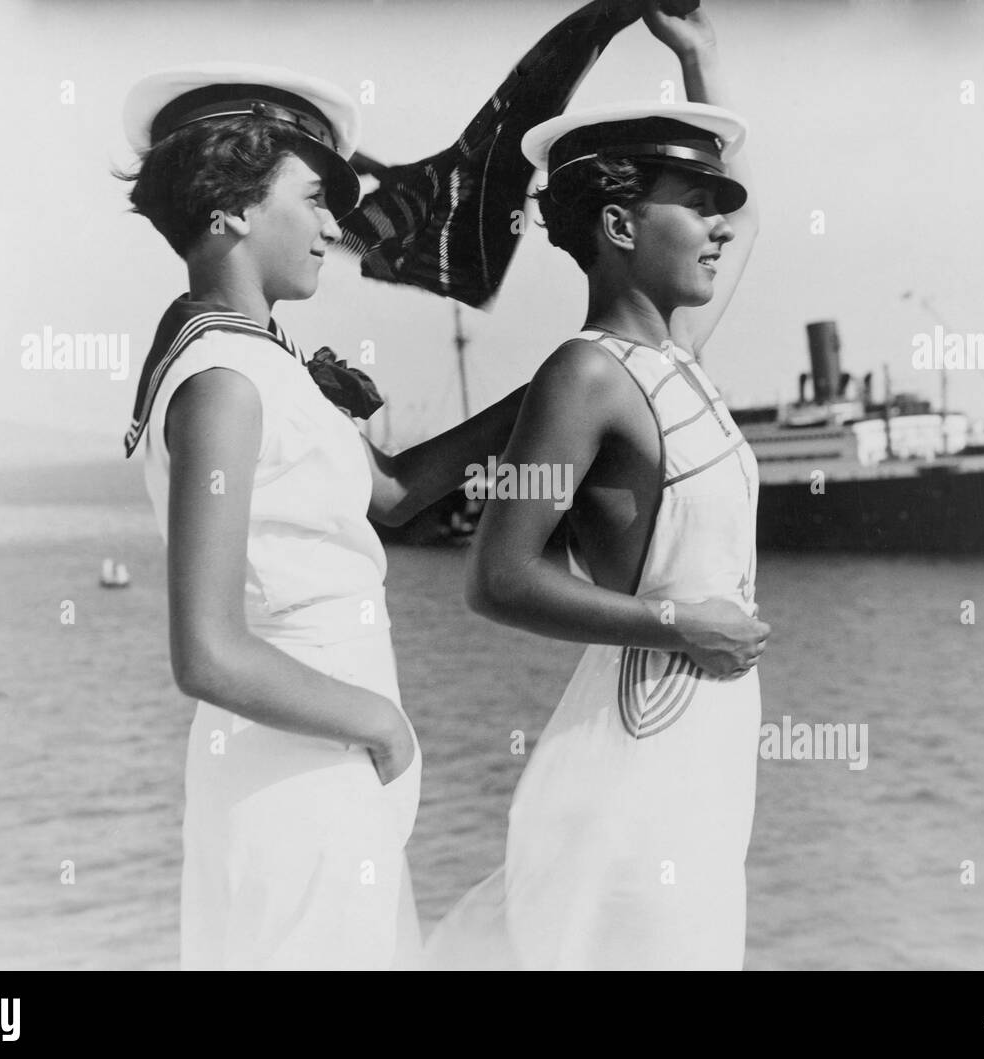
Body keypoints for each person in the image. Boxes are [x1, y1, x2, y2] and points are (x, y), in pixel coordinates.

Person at [118, 62, 525, 970]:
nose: (336, 227)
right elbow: (207, 650)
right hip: (296, 781)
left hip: (322, 774)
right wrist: (380, 722)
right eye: (313, 199)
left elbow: (392, 493)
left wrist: (540, 395)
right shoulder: (224, 383)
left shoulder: (252, 359)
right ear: (231, 209)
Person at [426, 1, 770, 970]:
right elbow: (495, 575)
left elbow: (750, 212)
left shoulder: (676, 357)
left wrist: (698, 51)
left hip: (702, 756)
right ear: (619, 222)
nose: (718, 225)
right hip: (633, 761)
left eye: (718, 205)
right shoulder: (584, 375)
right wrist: (679, 624)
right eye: (693, 205)